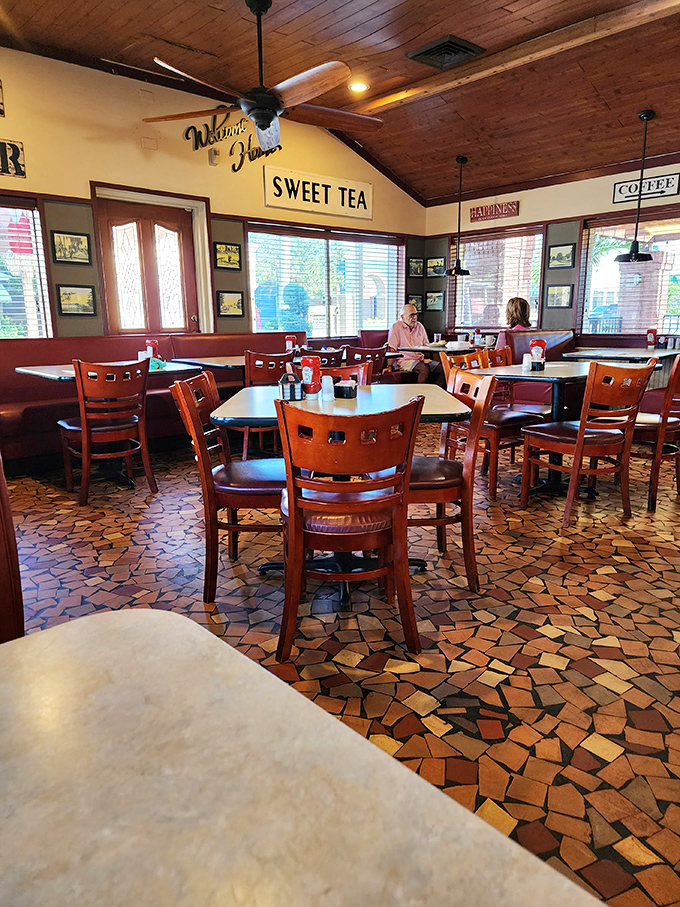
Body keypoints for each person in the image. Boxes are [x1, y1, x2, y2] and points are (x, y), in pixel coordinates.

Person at [387, 304, 446, 386]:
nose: (414, 317)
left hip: (419, 359)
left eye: (415, 314)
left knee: (444, 368)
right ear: (402, 317)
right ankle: (418, 396)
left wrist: (426, 359)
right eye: (411, 315)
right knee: (424, 369)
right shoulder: (396, 327)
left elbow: (427, 346)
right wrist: (389, 366)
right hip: (404, 361)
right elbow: (391, 349)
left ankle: (435, 391)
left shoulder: (419, 326)